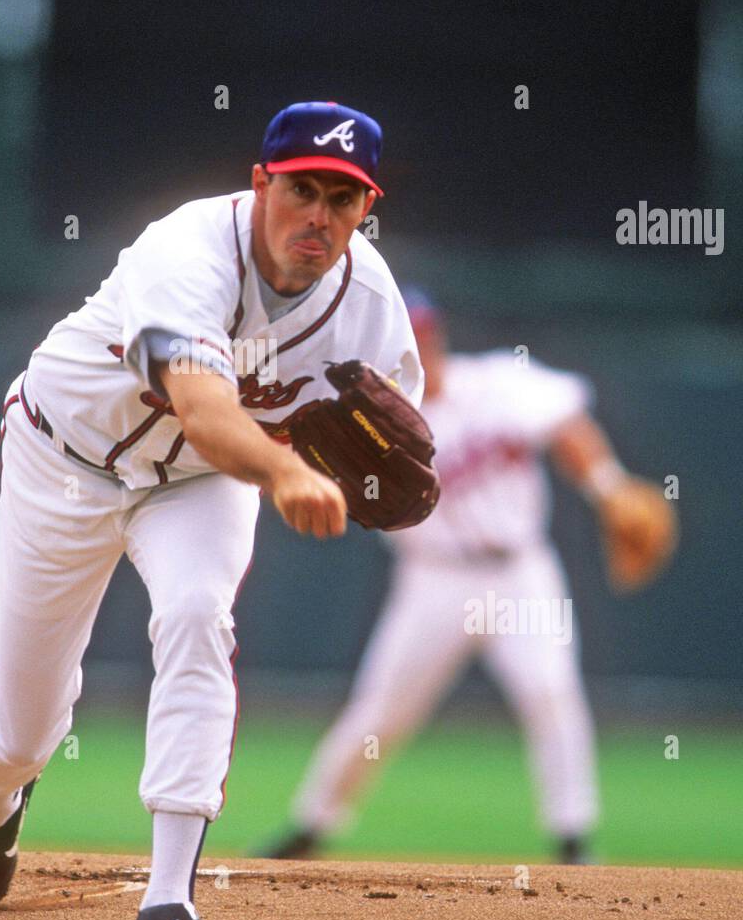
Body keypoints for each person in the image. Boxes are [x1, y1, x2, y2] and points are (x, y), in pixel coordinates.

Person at [0, 101, 424, 920]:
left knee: (200, 617)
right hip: (63, 459)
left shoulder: (373, 308)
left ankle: (168, 907)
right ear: (261, 184)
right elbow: (202, 406)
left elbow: (401, 443)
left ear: (367, 210)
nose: (319, 216)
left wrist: (380, 479)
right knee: (26, 728)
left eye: (344, 201)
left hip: (201, 485)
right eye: (303, 190)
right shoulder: (185, 249)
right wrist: (284, 473)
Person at [261, 290, 677, 866]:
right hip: (432, 581)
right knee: (380, 712)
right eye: (407, 341)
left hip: (519, 574)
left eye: (426, 337)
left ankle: (574, 840)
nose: (420, 349)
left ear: (437, 338)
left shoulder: (497, 382)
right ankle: (311, 826)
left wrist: (607, 485)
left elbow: (567, 423)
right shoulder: (361, 420)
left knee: (551, 693)